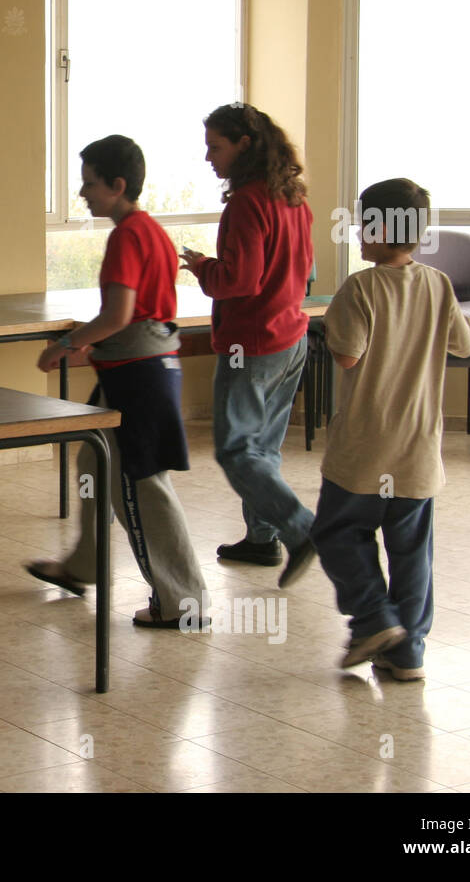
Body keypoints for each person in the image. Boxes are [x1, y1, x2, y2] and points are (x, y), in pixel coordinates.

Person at [25, 135, 210, 630]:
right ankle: (84, 566)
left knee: (139, 487)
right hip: (139, 368)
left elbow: (118, 313)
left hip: (138, 374)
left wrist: (66, 346)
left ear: (118, 185)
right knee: (93, 458)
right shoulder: (148, 230)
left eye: (89, 184)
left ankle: (181, 603)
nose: (82, 194)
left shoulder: (128, 235)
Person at [312, 178, 470, 679]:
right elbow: (463, 345)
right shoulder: (438, 284)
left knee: (336, 532)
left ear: (383, 230)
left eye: (362, 225)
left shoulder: (359, 288)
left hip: (364, 448)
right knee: (411, 552)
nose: (357, 234)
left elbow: (347, 355)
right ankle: (408, 652)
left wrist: (320, 326)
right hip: (418, 450)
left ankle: (374, 618)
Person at [180, 103, 316, 588]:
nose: (209, 158)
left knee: (238, 452)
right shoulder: (293, 197)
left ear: (244, 145)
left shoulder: (246, 203)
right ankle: (261, 538)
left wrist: (202, 267)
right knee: (264, 448)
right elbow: (303, 269)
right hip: (291, 337)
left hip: (252, 345)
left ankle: (302, 528)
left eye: (216, 147)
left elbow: (238, 281)